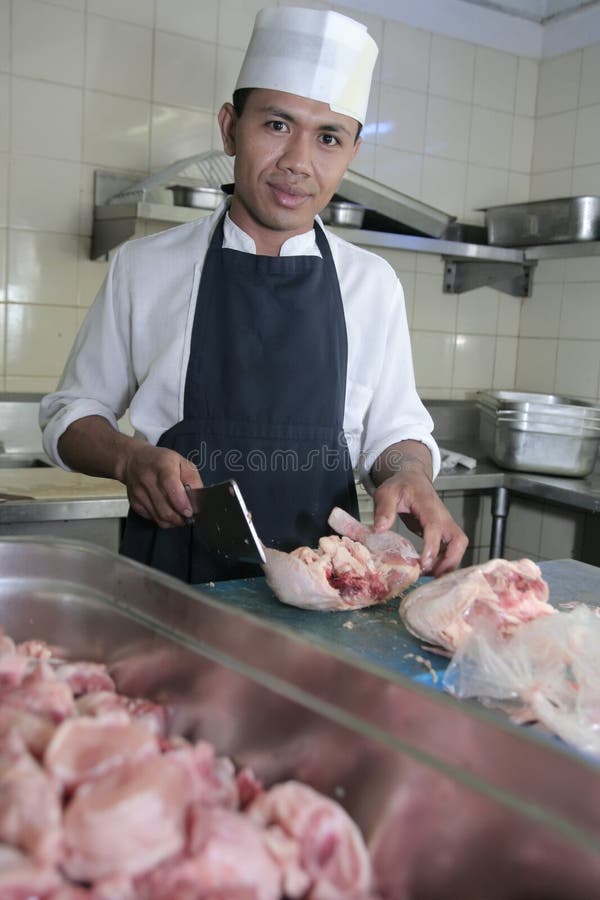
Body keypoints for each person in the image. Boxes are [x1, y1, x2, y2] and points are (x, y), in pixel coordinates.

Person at [40, 6, 468, 584]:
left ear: (350, 155)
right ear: (229, 127)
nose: (297, 163)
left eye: (328, 138)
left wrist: (410, 472)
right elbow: (70, 413)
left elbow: (392, 434)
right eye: (276, 125)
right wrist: (128, 458)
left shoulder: (372, 284)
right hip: (172, 579)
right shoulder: (144, 267)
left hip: (328, 586)